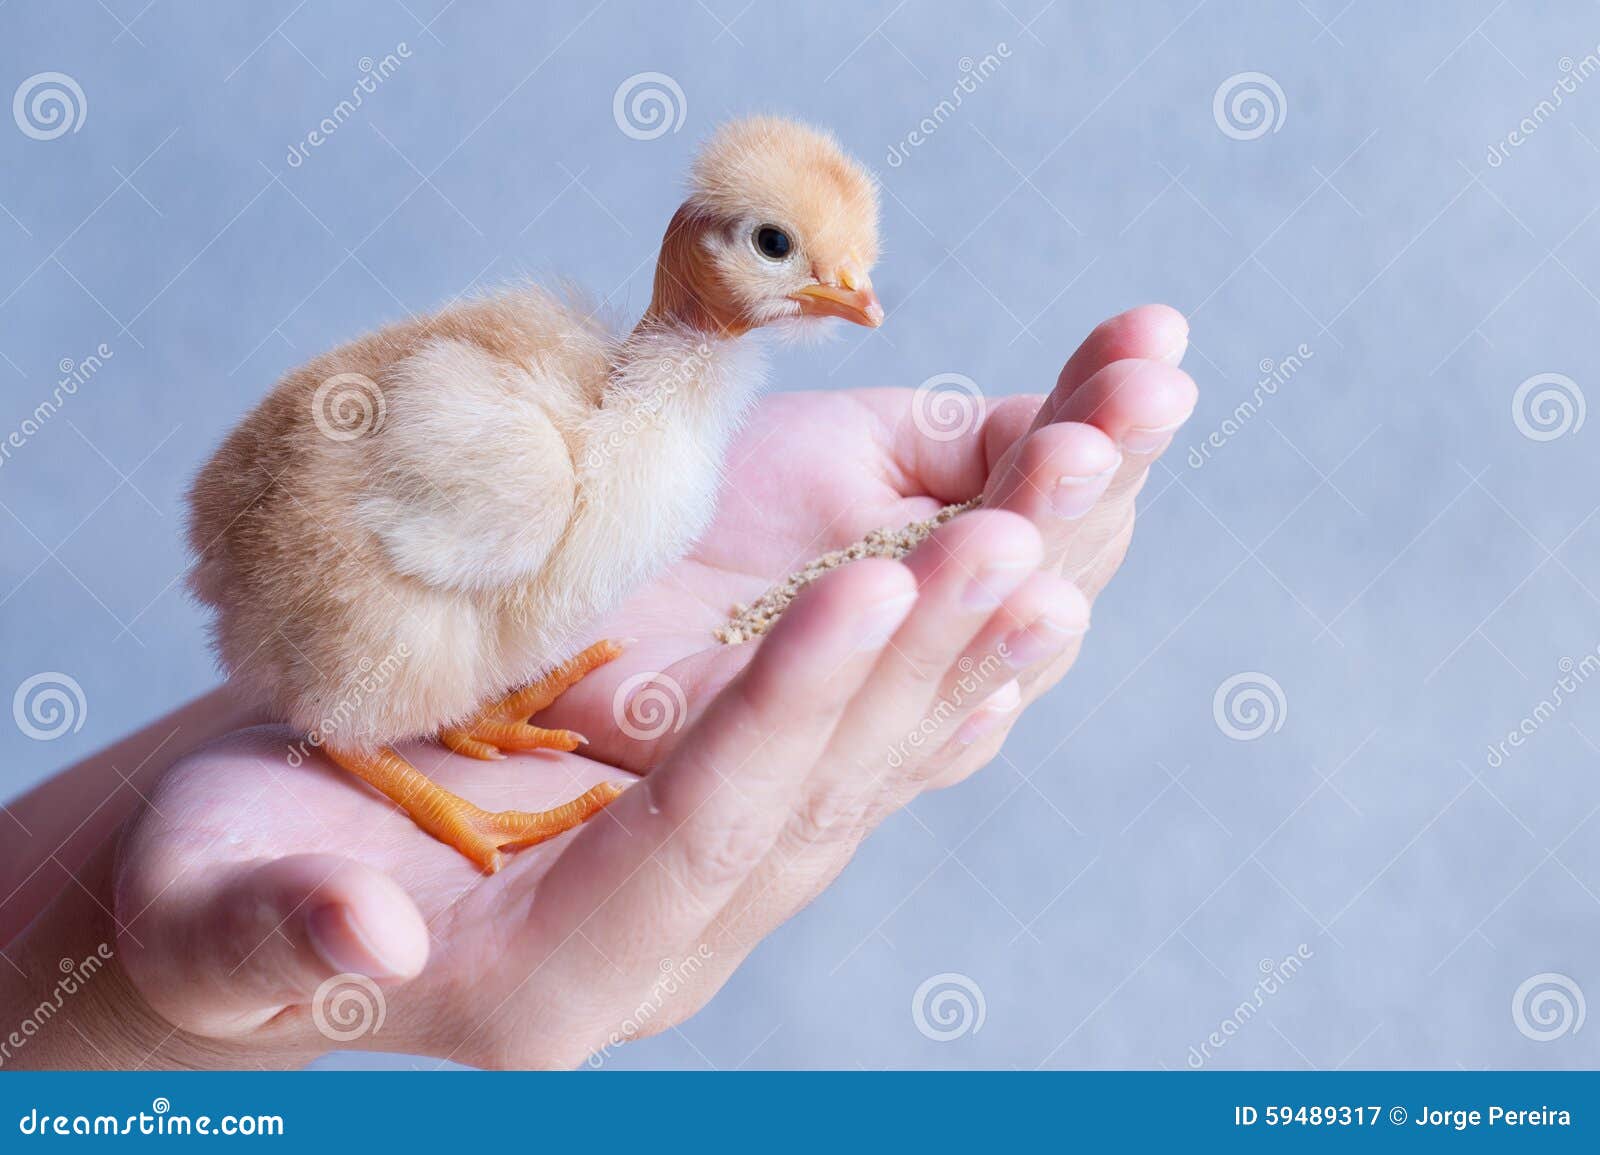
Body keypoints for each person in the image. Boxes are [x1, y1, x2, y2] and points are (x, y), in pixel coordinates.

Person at [0, 307, 1195, 1069]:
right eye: (781, 250)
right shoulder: (525, 457)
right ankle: (394, 753)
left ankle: (434, 720)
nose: (849, 294)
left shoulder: (608, 407)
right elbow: (310, 574)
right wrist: (128, 1016)